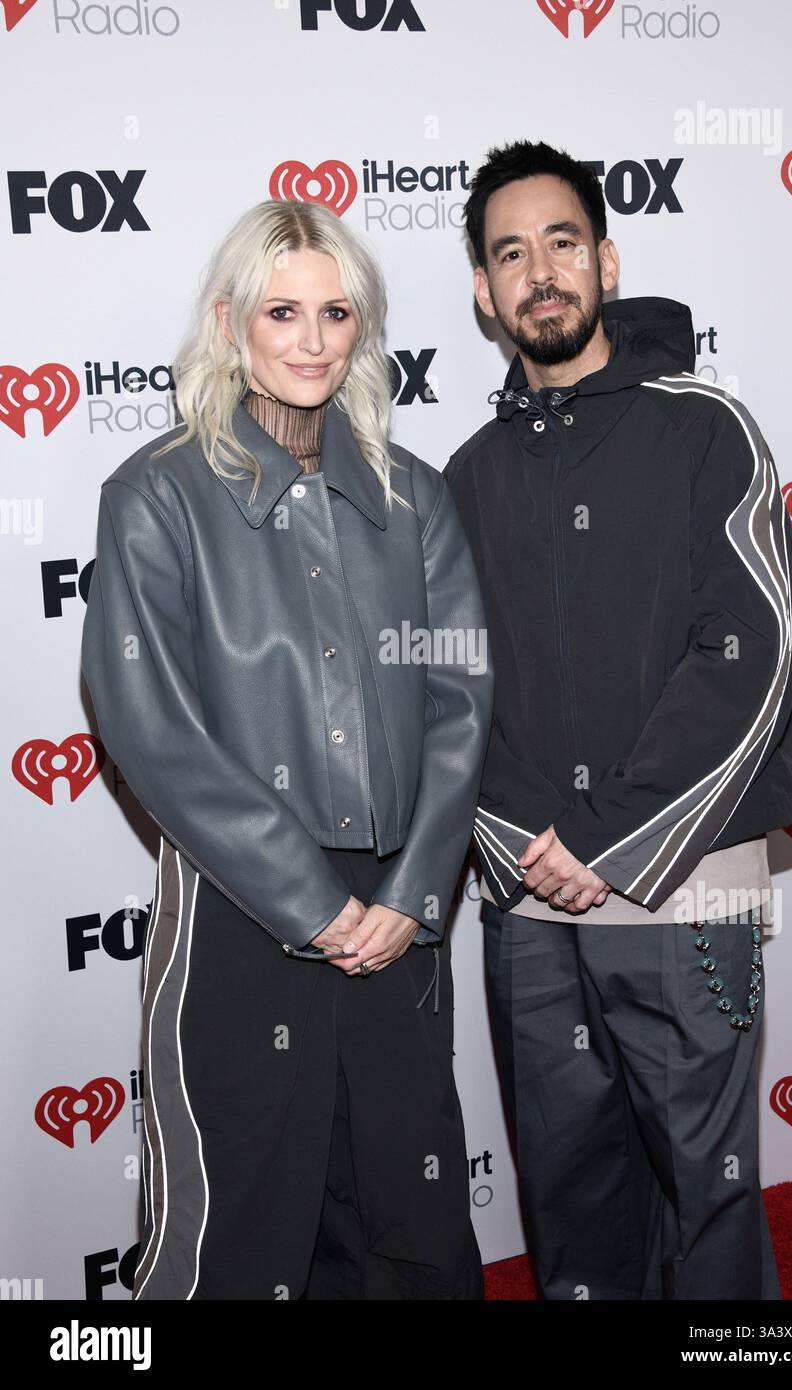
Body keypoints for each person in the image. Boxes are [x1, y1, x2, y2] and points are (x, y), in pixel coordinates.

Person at [81, 197, 494, 1300]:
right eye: (282, 311)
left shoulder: (416, 497)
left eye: (335, 311)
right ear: (230, 324)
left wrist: (410, 893)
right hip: (238, 909)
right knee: (244, 1219)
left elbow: (461, 700)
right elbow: (149, 726)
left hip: (399, 914)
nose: (312, 339)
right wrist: (308, 899)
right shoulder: (156, 497)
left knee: (404, 1206)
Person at [443, 140, 792, 1300]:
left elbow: (741, 660)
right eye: (509, 254)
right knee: (569, 1199)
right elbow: (450, 689)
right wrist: (525, 846)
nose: (538, 272)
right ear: (482, 293)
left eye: (560, 242)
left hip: (687, 886)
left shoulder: (707, 428)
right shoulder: (464, 474)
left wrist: (598, 839)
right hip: (531, 903)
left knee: (707, 1197)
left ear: (605, 257)